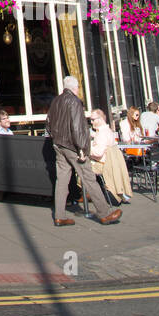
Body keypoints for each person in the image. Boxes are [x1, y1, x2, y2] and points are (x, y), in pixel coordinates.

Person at [46, 76, 121, 226]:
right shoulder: (74, 101)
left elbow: (48, 123)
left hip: (58, 144)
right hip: (72, 146)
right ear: (76, 88)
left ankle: (59, 216)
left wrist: (56, 138)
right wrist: (82, 148)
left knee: (61, 180)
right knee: (88, 177)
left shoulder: (55, 101)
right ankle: (104, 213)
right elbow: (77, 126)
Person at [89, 108, 131, 204]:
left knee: (81, 169)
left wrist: (87, 149)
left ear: (99, 119)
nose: (91, 122)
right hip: (111, 164)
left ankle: (87, 195)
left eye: (92, 119)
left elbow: (98, 153)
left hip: (103, 165)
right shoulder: (108, 131)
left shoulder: (101, 134)